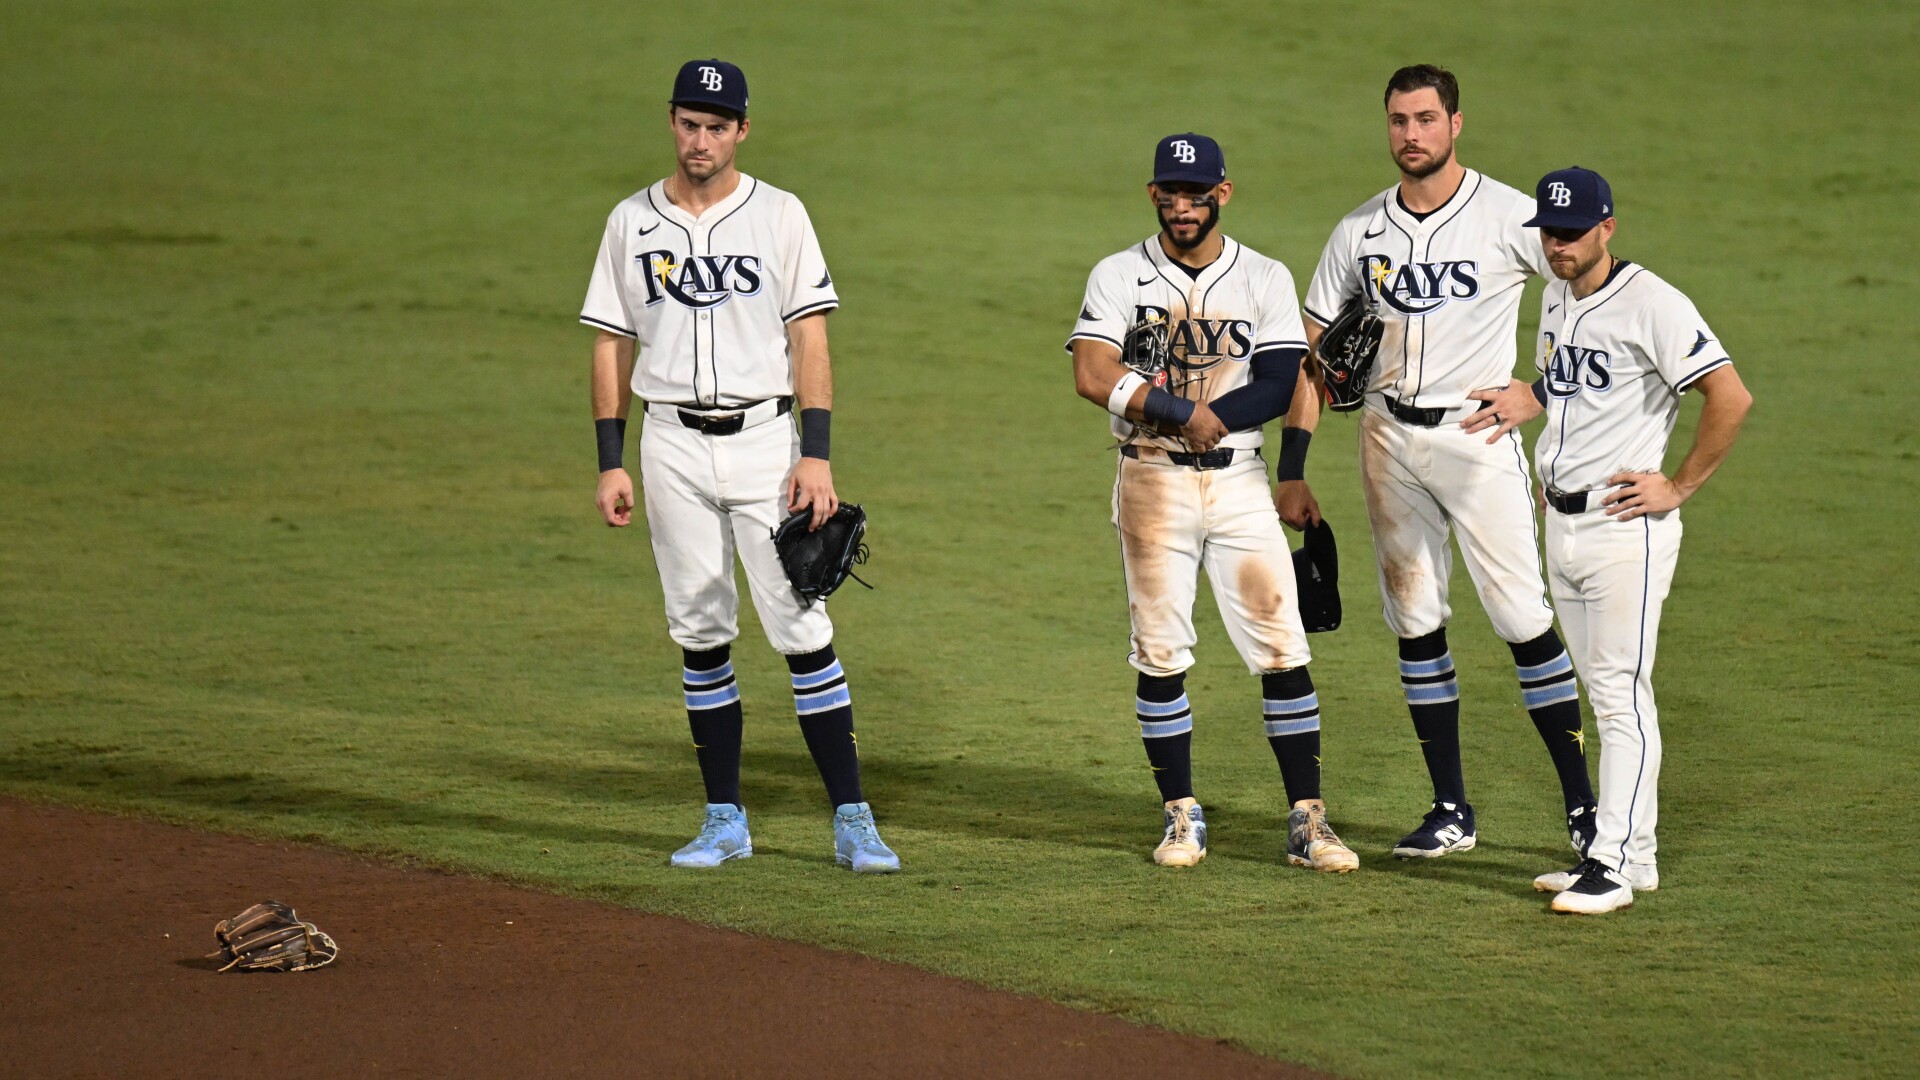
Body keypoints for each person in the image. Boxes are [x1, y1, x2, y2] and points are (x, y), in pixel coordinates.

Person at [580, 58, 898, 873]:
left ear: (742, 131)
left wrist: (816, 454)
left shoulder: (780, 215)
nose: (701, 140)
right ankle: (724, 819)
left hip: (766, 442)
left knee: (801, 624)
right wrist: (611, 461)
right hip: (670, 444)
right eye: (690, 124)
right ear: (672, 122)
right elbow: (611, 343)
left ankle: (854, 820)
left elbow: (809, 338)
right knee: (699, 627)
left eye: (717, 127)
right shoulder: (630, 222)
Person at [1278, 64, 1599, 858]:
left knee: (1521, 617)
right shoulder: (1360, 231)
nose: (1411, 134)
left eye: (1426, 119)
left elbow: (1593, 291)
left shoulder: (1508, 216)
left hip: (1476, 438)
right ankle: (1451, 810)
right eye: (1399, 120)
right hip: (1387, 440)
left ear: (1456, 124)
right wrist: (1293, 465)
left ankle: (1586, 812)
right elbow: (1313, 353)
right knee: (1414, 618)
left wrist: (1539, 391)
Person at [1067, 133, 1358, 873]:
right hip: (1151, 478)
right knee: (1160, 650)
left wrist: (1209, 420)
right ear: (1153, 195)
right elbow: (1092, 373)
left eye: (1196, 195)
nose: (1182, 207)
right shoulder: (1118, 273)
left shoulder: (1262, 275)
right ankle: (1181, 815)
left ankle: (1308, 820)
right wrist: (1177, 413)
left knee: (1283, 643)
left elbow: (1282, 379)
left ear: (1221, 195)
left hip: (1239, 482)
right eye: (1170, 193)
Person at [1464, 167, 1751, 912]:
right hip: (1563, 522)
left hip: (1626, 529)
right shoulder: (1558, 294)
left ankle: (1611, 865)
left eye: (1572, 233)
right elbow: (1568, 379)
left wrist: (1678, 485)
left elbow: (1729, 394)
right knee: (1605, 693)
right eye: (1549, 233)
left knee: (1621, 696)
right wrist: (1534, 406)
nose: (1557, 246)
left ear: (1607, 228)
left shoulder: (1654, 304)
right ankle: (1636, 855)